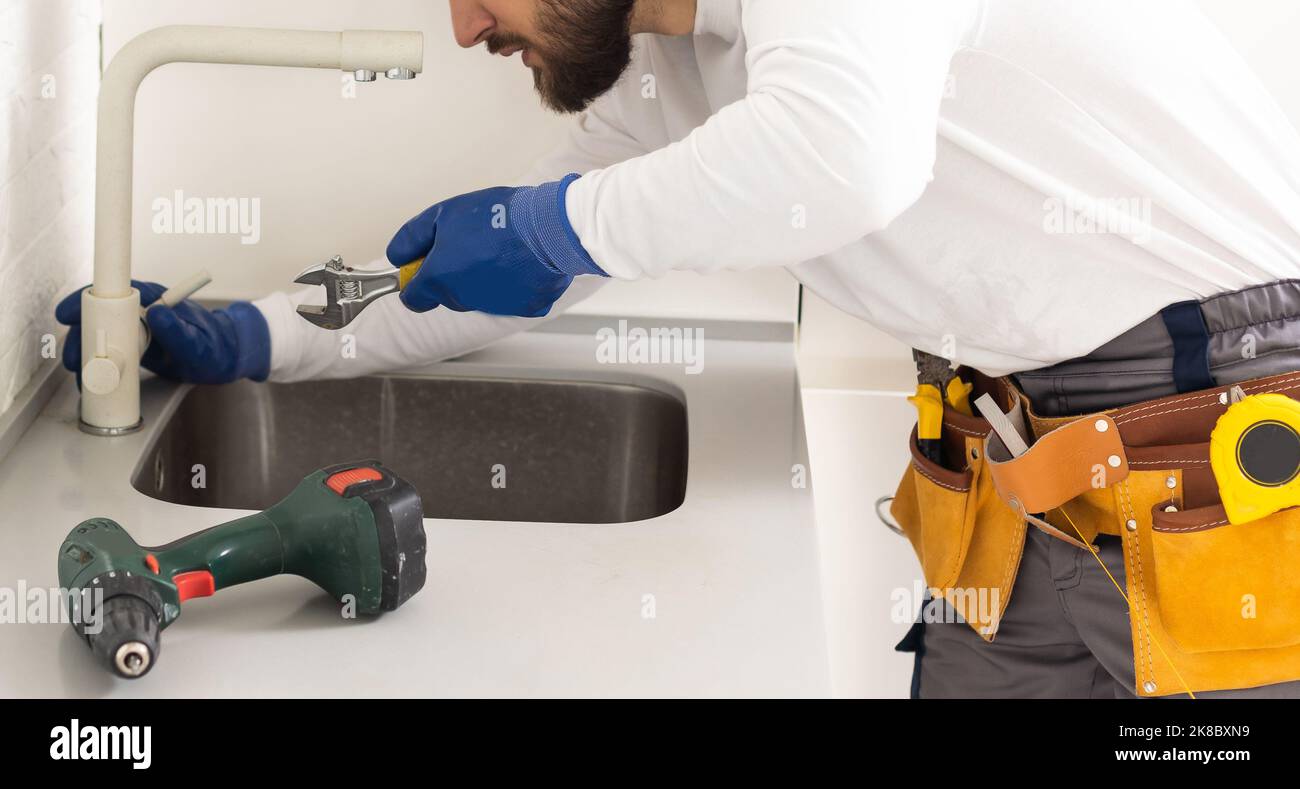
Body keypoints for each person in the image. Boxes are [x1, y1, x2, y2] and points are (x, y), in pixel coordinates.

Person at [56, 1, 1300, 697]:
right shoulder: (668, 63)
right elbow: (514, 265)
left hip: (1214, 432)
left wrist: (546, 230)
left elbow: (843, 158)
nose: (462, 25)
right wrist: (254, 339)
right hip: (1020, 456)